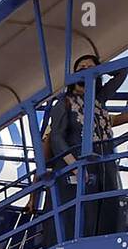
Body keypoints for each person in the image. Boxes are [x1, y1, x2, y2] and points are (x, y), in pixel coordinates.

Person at [49, 58, 128, 239]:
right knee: (81, 218)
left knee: (106, 213)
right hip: (78, 169)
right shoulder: (65, 103)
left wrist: (100, 70)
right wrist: (74, 165)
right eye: (81, 68)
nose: (85, 71)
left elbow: (122, 71)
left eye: (90, 68)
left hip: (104, 170)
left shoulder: (99, 100)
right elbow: (56, 137)